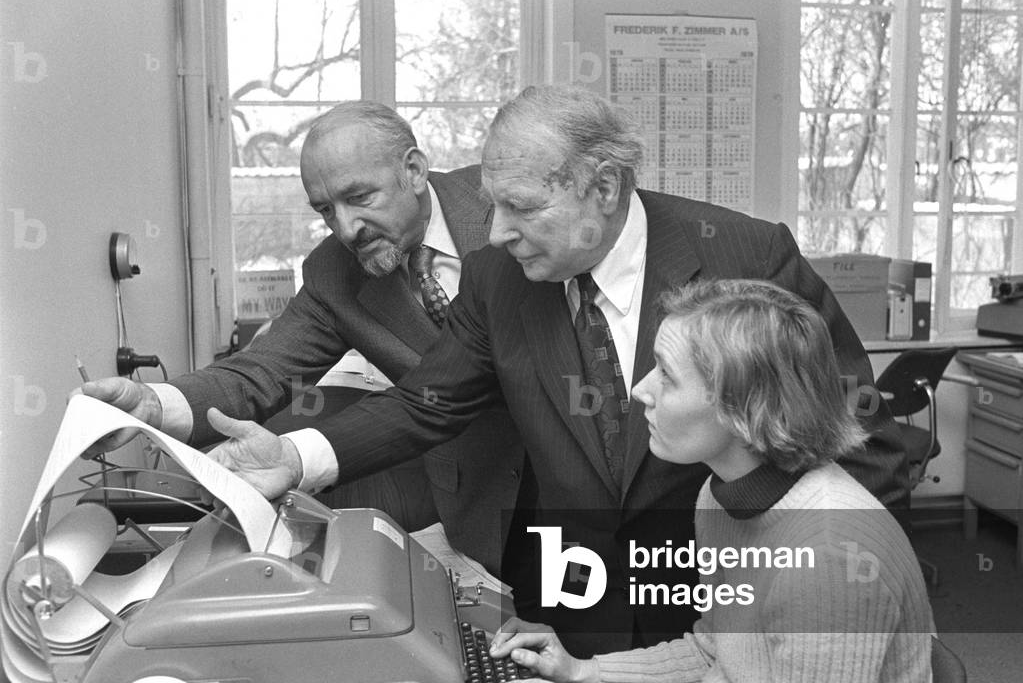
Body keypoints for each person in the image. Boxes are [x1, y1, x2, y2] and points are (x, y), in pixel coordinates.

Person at [169, 85, 908, 657]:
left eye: (520, 209)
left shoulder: (745, 256)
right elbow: (428, 402)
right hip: (580, 598)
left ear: (604, 188)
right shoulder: (501, 278)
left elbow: (859, 437)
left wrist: (802, 586)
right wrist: (293, 457)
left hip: (732, 601)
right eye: (491, 208)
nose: (495, 234)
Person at [80, 101, 527, 575]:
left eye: (360, 197)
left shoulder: (505, 201)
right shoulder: (334, 273)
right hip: (482, 512)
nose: (347, 229)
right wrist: (154, 405)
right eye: (326, 210)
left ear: (414, 171)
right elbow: (260, 372)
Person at [488, 279, 934, 683]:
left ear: (744, 410)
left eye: (667, 375)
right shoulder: (719, 497)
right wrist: (583, 672)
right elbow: (714, 654)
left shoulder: (828, 558)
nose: (641, 390)